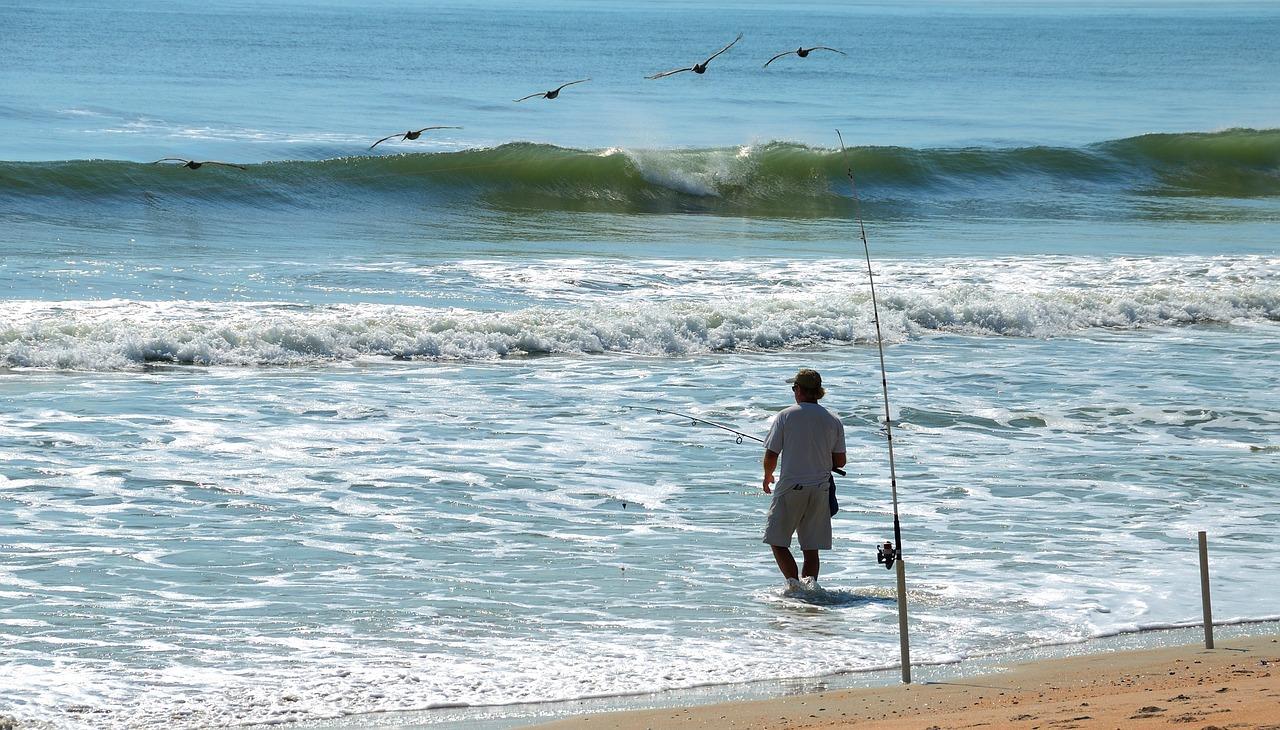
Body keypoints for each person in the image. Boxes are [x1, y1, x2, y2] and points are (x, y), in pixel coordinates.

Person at [761, 368, 847, 590]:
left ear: (799, 390)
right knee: (811, 548)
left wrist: (767, 475)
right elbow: (840, 461)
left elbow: (772, 454)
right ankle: (810, 590)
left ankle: (794, 586)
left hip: (791, 488)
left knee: (777, 541)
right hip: (820, 489)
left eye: (794, 388)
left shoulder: (786, 416)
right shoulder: (833, 420)